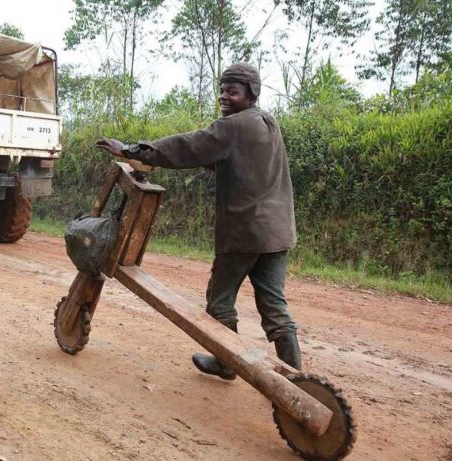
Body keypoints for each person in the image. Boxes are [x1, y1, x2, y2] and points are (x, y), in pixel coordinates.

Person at [95, 63, 301, 380]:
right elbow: (235, 164)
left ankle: (225, 363)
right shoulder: (266, 122)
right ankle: (298, 380)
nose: (224, 96)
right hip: (278, 231)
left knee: (220, 303)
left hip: (245, 231)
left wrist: (131, 150)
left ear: (251, 93)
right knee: (275, 308)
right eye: (222, 90)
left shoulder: (233, 126)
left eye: (232, 91)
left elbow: (189, 145)